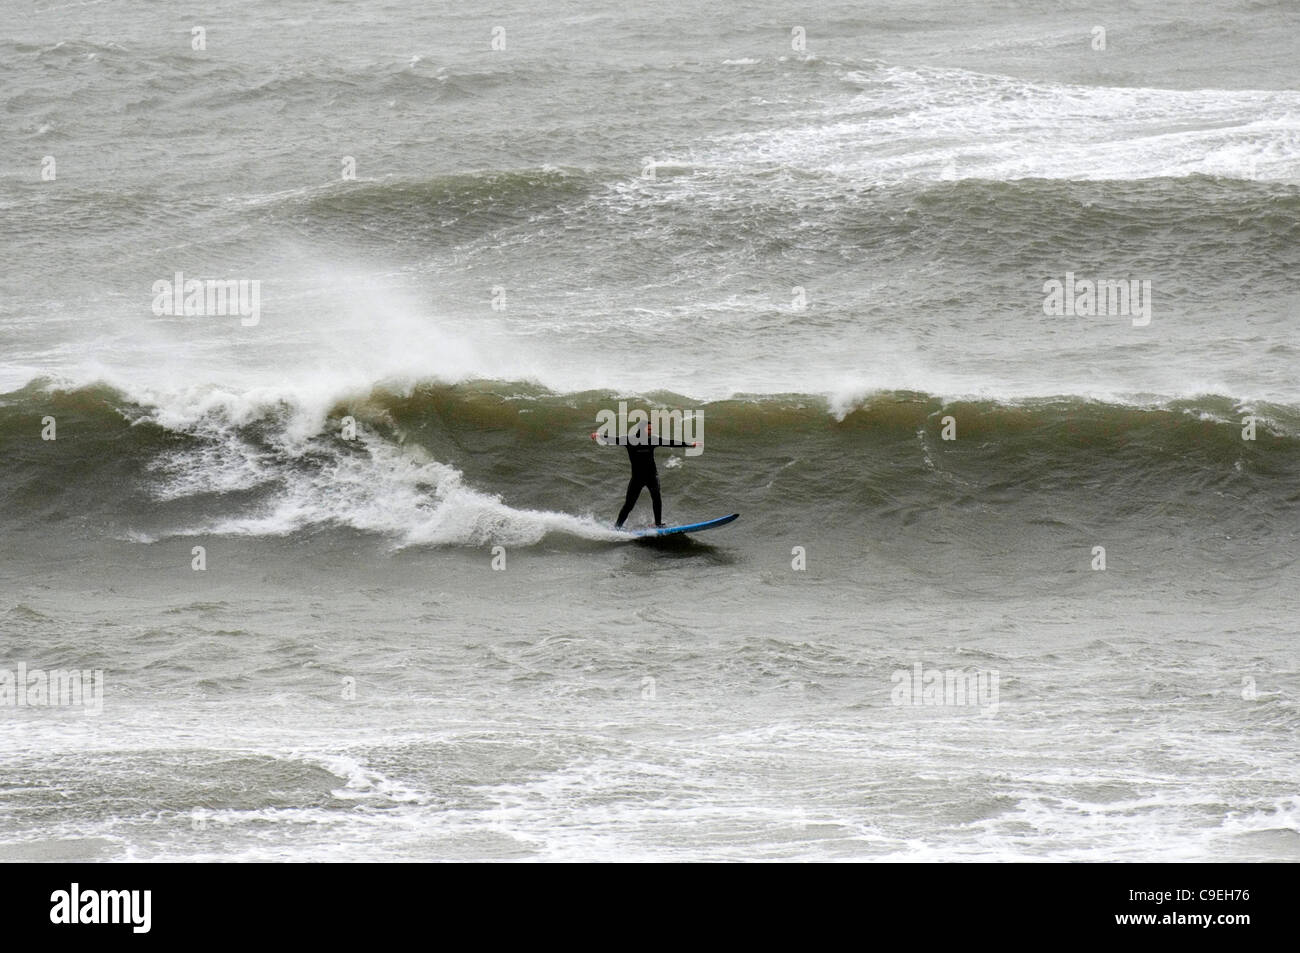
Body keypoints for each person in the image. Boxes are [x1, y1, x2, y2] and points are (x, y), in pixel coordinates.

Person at [590, 421, 698, 529]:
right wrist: (599, 435)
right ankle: (617, 527)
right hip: (637, 478)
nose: (651, 431)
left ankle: (658, 524)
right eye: (649, 429)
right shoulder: (629, 440)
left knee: (656, 497)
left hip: (652, 476)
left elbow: (671, 442)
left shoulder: (653, 440)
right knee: (629, 505)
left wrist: (690, 444)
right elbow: (613, 439)